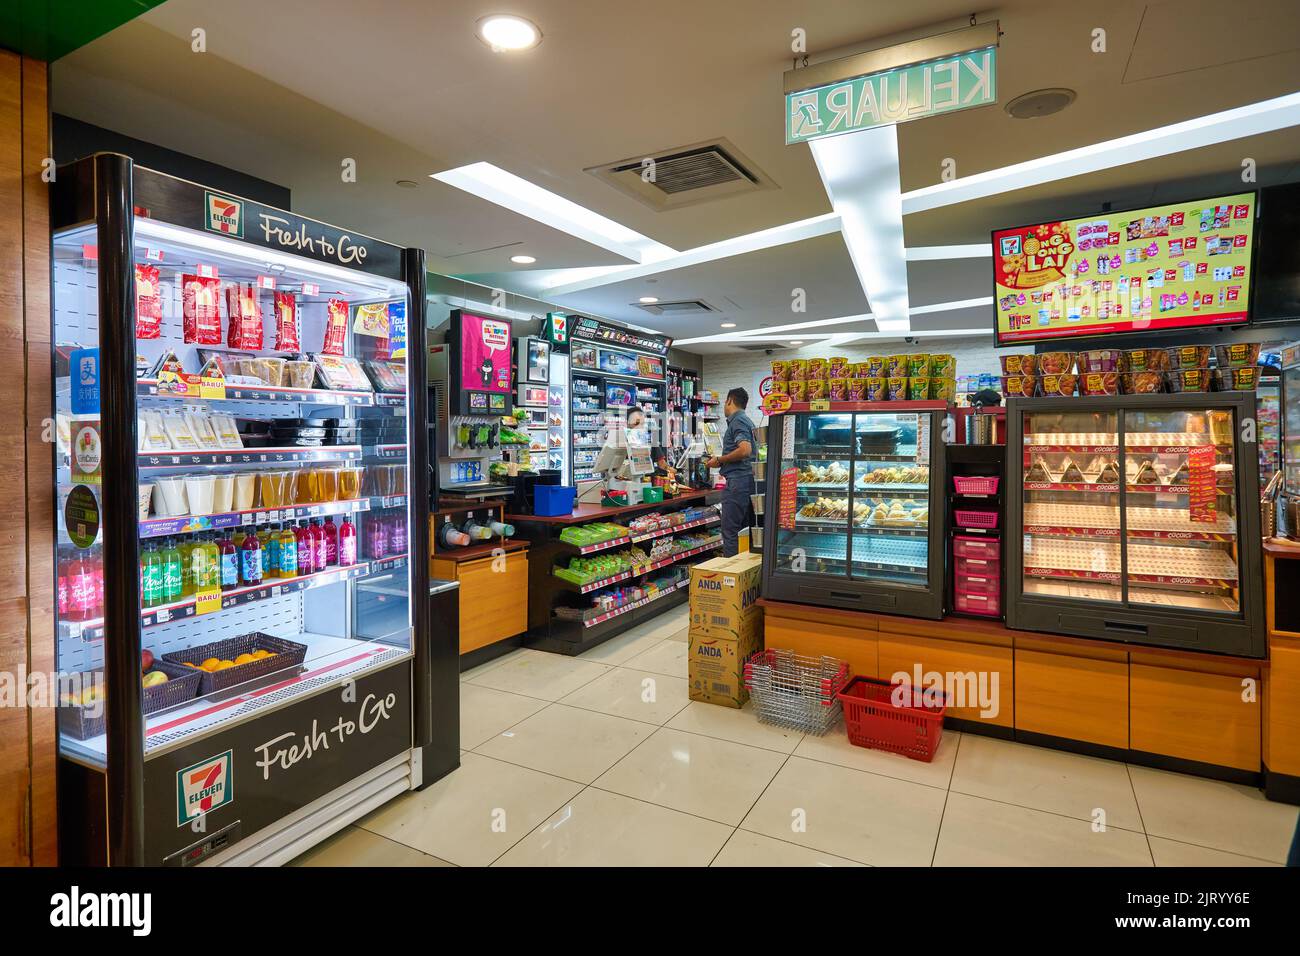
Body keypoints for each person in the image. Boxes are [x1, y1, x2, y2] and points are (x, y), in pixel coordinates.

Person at [706, 387, 756, 556]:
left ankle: (732, 575)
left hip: (738, 482)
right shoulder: (748, 421)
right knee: (744, 531)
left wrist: (719, 460)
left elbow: (745, 450)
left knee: (731, 532)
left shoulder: (738, 421)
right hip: (750, 481)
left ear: (729, 401)